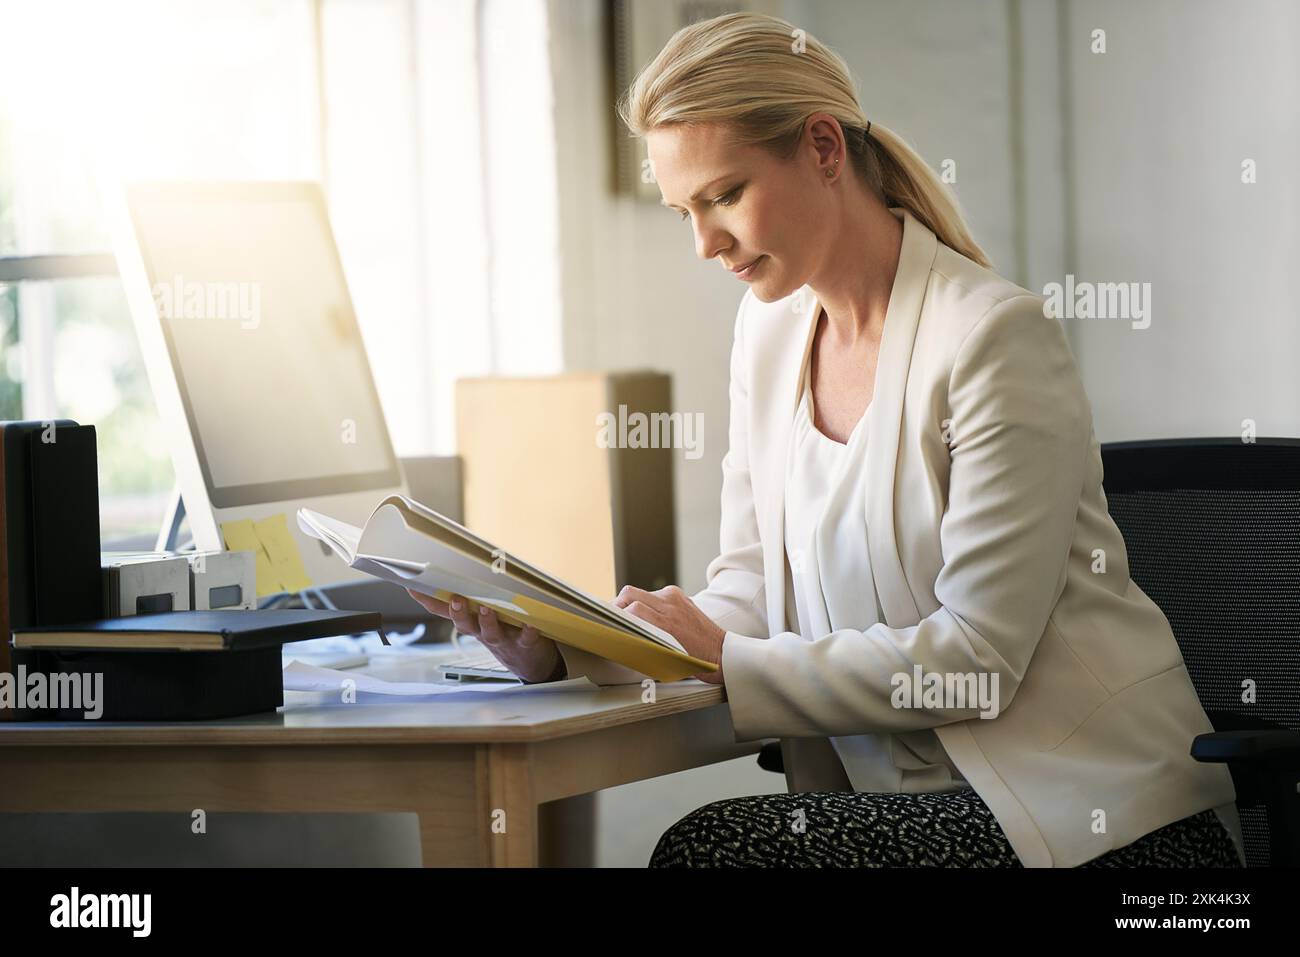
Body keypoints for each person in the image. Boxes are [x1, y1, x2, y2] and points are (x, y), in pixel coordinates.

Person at [408, 11, 1245, 869]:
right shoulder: (767, 335)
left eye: (724, 195)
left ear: (821, 148)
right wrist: (580, 646)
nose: (705, 243)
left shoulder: (993, 337)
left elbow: (978, 659)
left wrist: (728, 659)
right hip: (902, 811)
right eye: (683, 210)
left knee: (715, 850)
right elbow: (752, 589)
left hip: (1086, 816)